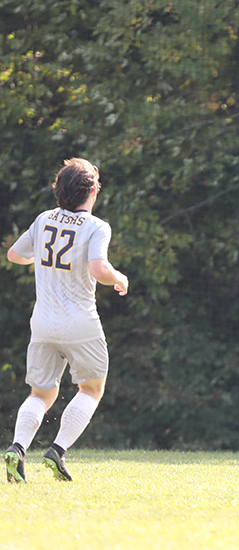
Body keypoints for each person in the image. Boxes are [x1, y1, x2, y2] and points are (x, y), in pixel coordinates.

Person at [4, 158, 129, 483]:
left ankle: (17, 449)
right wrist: (119, 277)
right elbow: (98, 269)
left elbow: (14, 255)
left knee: (40, 394)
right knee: (91, 389)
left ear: (58, 190)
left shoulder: (44, 219)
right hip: (80, 322)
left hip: (43, 323)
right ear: (91, 191)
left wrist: (44, 262)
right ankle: (57, 451)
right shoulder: (96, 226)